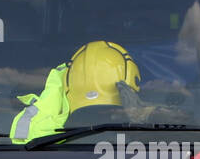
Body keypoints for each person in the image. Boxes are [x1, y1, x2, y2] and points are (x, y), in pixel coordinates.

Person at [10, 40, 141, 143]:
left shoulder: (40, 131)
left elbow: (22, 144)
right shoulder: (150, 133)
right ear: (132, 81)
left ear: (67, 85)